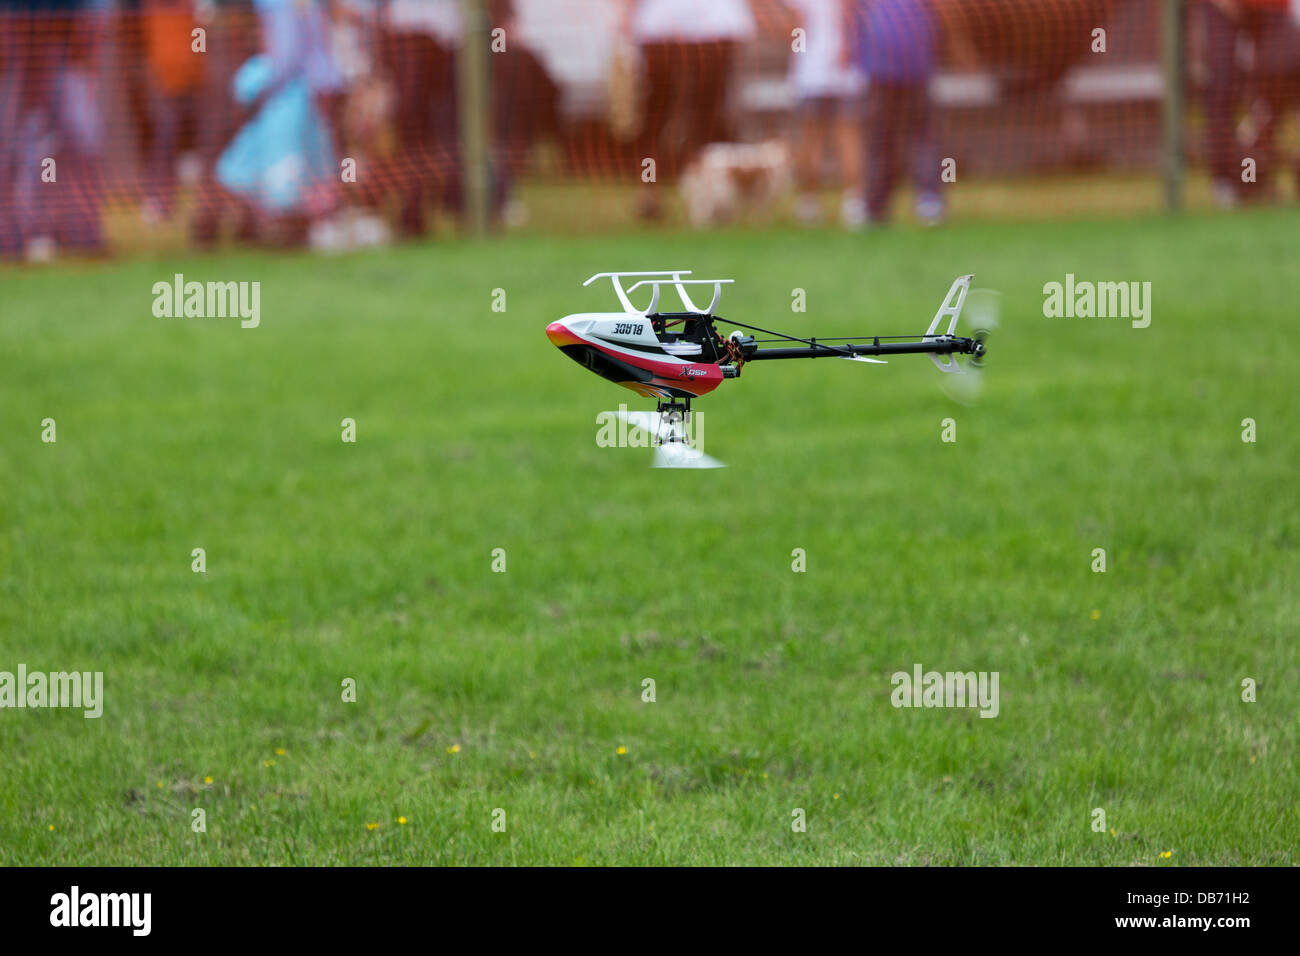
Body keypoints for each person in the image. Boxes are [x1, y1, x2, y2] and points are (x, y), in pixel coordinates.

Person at [625, 0, 756, 220]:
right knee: (657, 115)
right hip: (664, 23)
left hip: (712, 22)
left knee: (707, 114)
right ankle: (649, 192)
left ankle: (712, 193)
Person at [853, 0, 942, 225]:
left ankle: (878, 206)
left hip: (894, 65)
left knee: (885, 138)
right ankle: (926, 201)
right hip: (902, 64)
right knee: (916, 136)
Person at [1201, 0, 1294, 206]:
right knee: (1222, 89)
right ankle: (1228, 182)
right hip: (1222, 8)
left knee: (1273, 90)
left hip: (1272, 9)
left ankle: (1256, 179)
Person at [787, 0, 865, 228]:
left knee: (812, 138)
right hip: (843, 69)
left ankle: (809, 203)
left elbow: (796, 25)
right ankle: (853, 203)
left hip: (811, 71)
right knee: (848, 135)